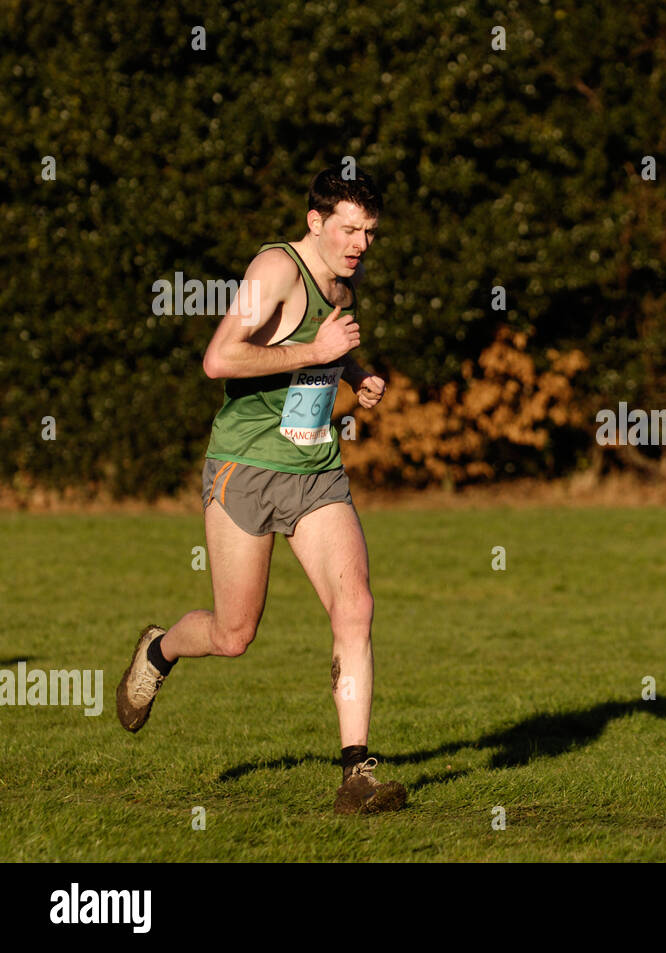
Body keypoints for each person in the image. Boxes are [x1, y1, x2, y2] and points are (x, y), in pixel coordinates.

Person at [116, 167, 406, 815]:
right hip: (243, 469)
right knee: (234, 632)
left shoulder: (343, 282)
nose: (360, 243)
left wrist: (356, 374)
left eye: (370, 232)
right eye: (349, 229)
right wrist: (316, 351)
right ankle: (159, 648)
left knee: (354, 605)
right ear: (316, 222)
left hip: (315, 470)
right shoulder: (275, 271)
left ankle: (356, 773)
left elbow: (323, 347)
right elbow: (220, 358)